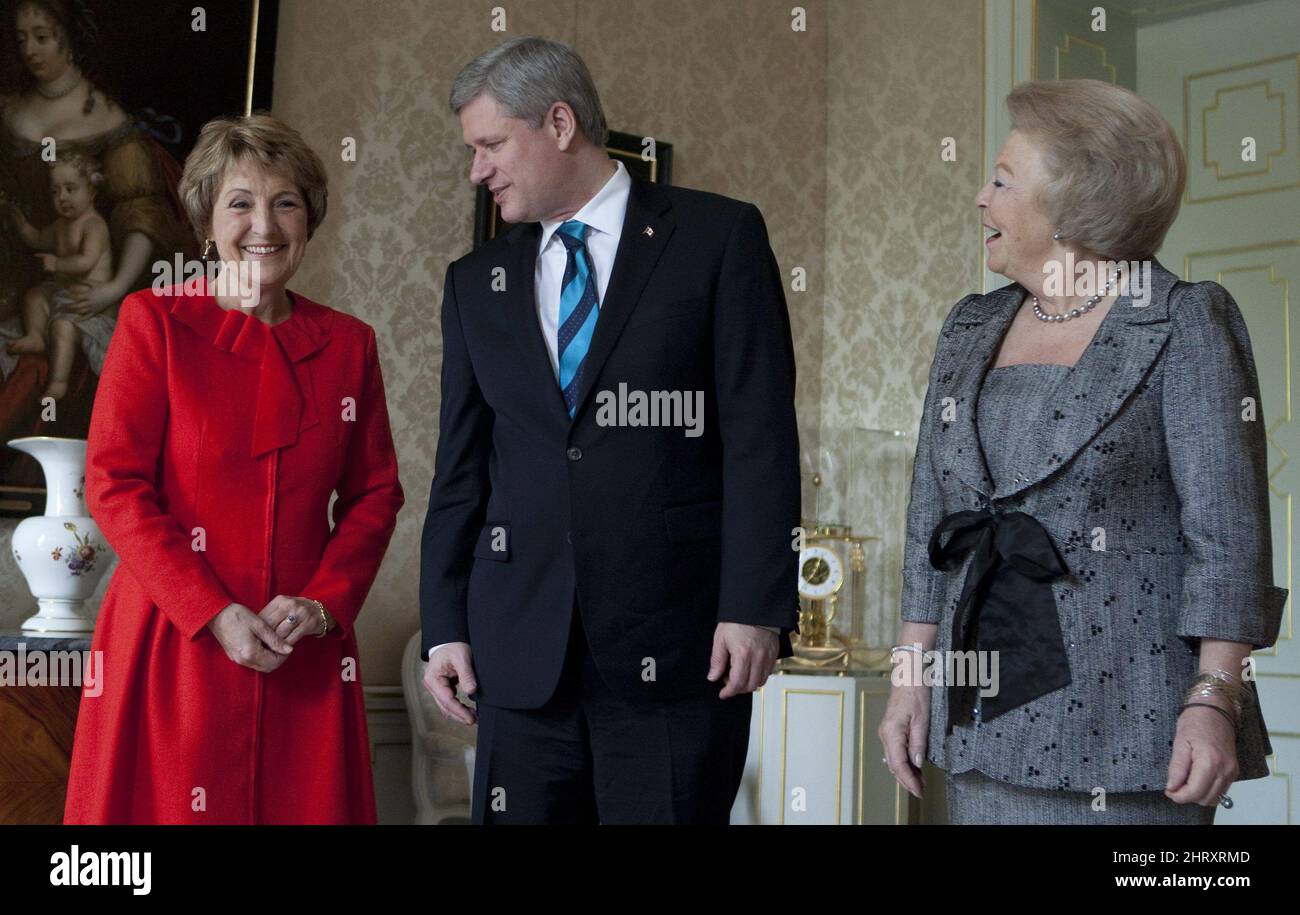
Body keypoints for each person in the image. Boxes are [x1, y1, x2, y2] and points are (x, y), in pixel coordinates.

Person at [879, 79, 1286, 824]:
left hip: (1130, 736)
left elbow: (1229, 545)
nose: (980, 197)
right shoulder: (970, 327)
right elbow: (927, 529)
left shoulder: (1182, 322)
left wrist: (1215, 698)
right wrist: (909, 680)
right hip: (978, 722)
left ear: (1074, 205)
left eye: (1002, 181)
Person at [420, 36, 800, 824]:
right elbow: (460, 469)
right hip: (518, 661)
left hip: (680, 651)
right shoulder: (474, 285)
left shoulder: (718, 239)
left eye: (491, 145)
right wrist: (445, 624)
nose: (477, 171)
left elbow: (760, 438)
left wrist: (756, 604)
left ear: (559, 123)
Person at [63, 114, 405, 824]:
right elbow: (114, 484)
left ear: (309, 217)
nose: (265, 225)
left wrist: (322, 605)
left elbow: (375, 495)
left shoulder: (349, 346)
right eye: (240, 202)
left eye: (286, 201)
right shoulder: (151, 323)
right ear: (205, 219)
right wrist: (212, 612)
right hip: (173, 646)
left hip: (300, 655)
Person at [5, 154, 114, 398]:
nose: (62, 197)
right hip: (63, 294)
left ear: (92, 191)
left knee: (61, 328)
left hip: (88, 305)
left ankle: (58, 382)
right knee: (34, 296)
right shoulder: (60, 225)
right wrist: (22, 226)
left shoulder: (94, 225)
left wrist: (58, 263)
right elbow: (39, 239)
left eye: (70, 189)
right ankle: (35, 335)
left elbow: (86, 261)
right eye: (55, 192)